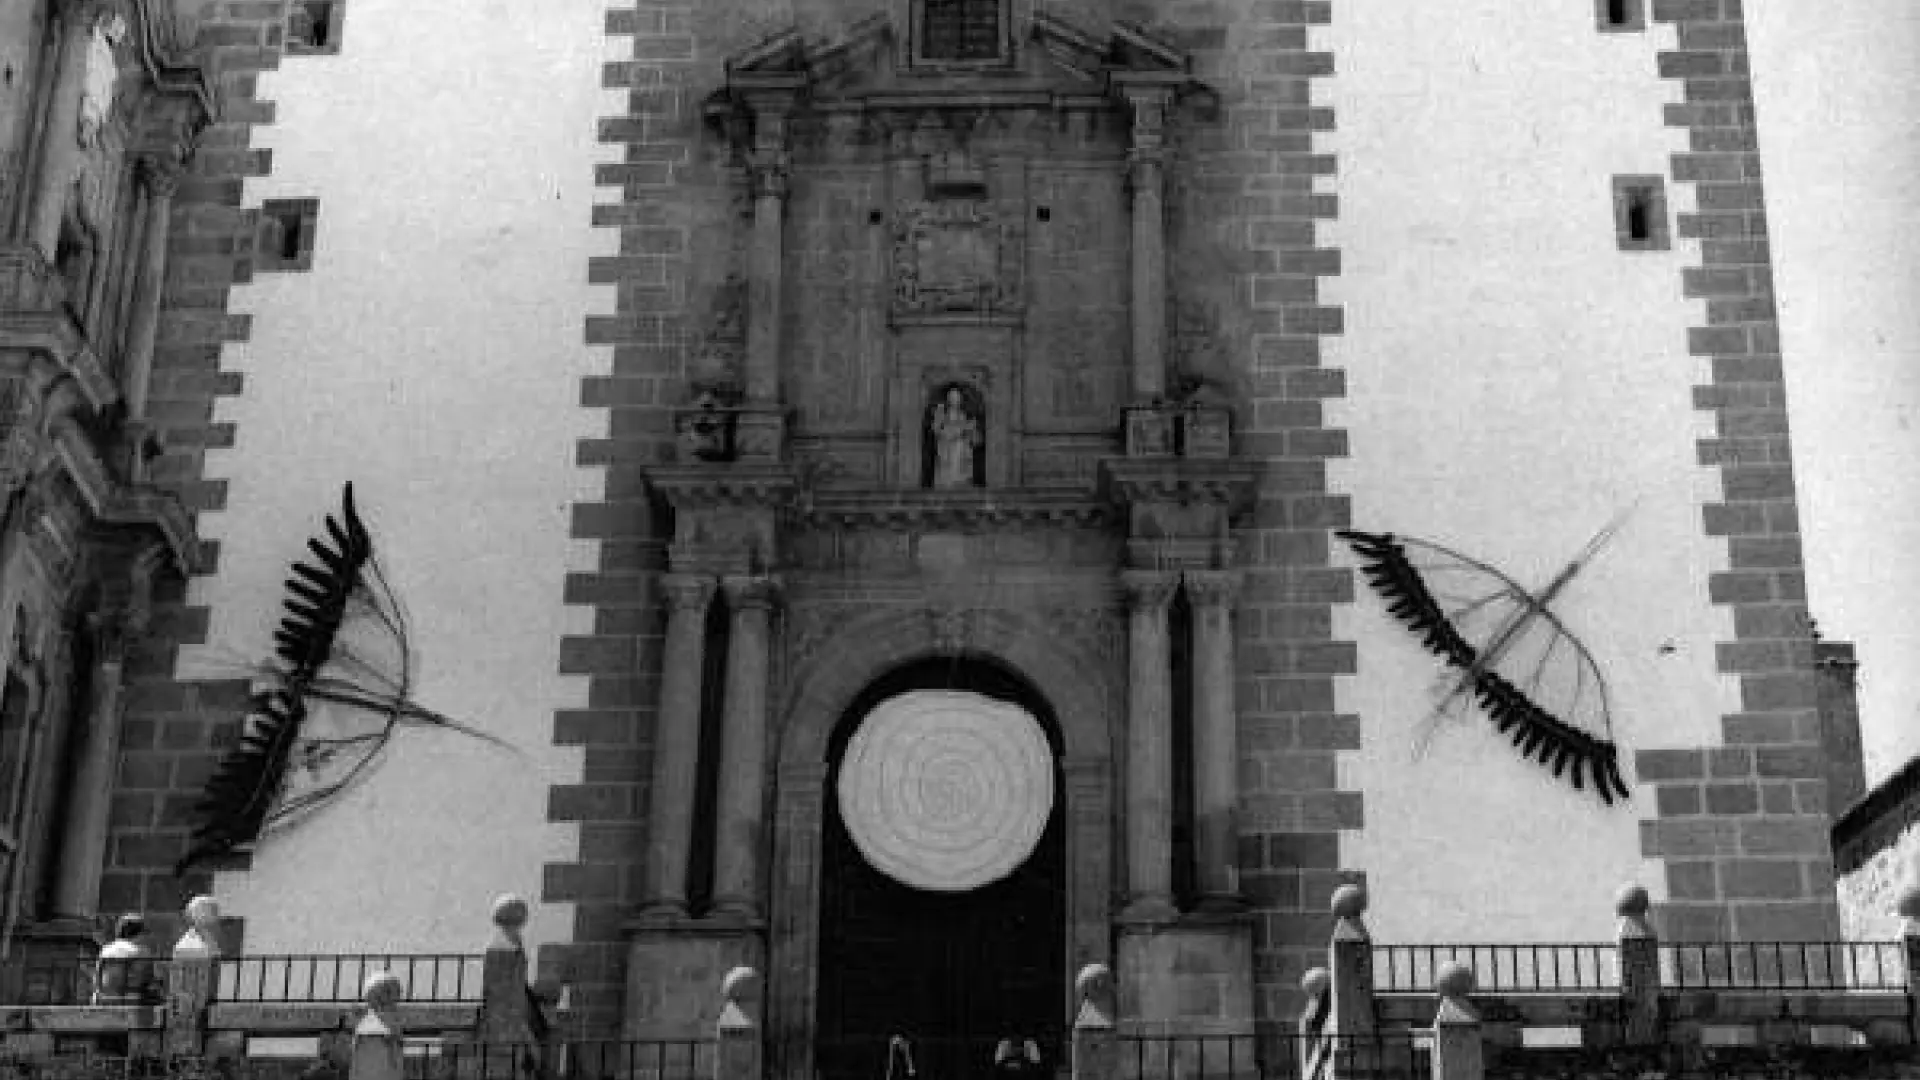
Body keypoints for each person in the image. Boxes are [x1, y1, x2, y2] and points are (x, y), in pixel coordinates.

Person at [930, 388, 980, 488]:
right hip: (945, 442)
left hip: (960, 442)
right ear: (948, 399)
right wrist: (946, 432)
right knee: (951, 449)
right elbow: (936, 428)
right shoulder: (942, 412)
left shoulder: (963, 414)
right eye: (952, 398)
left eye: (956, 398)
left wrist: (968, 428)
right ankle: (948, 479)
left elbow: (968, 430)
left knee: (960, 446)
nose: (955, 400)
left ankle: (959, 479)